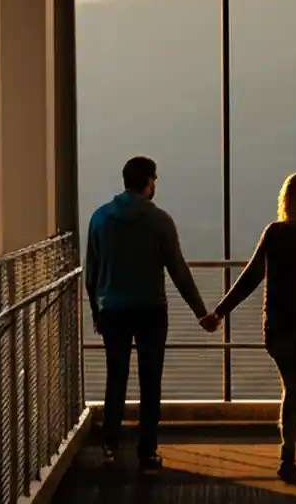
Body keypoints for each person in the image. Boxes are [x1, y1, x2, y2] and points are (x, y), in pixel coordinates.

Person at [200, 172, 296, 487]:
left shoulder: (275, 235)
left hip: (281, 327)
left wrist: (220, 312)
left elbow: (252, 277)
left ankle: (287, 458)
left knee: (292, 390)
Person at [84, 156, 209, 473]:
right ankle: (147, 452)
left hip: (112, 309)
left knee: (116, 378)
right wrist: (201, 313)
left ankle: (110, 446)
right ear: (149, 182)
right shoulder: (160, 221)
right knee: (150, 381)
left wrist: (96, 311)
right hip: (151, 310)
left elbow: (92, 274)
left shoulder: (100, 219)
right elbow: (178, 271)